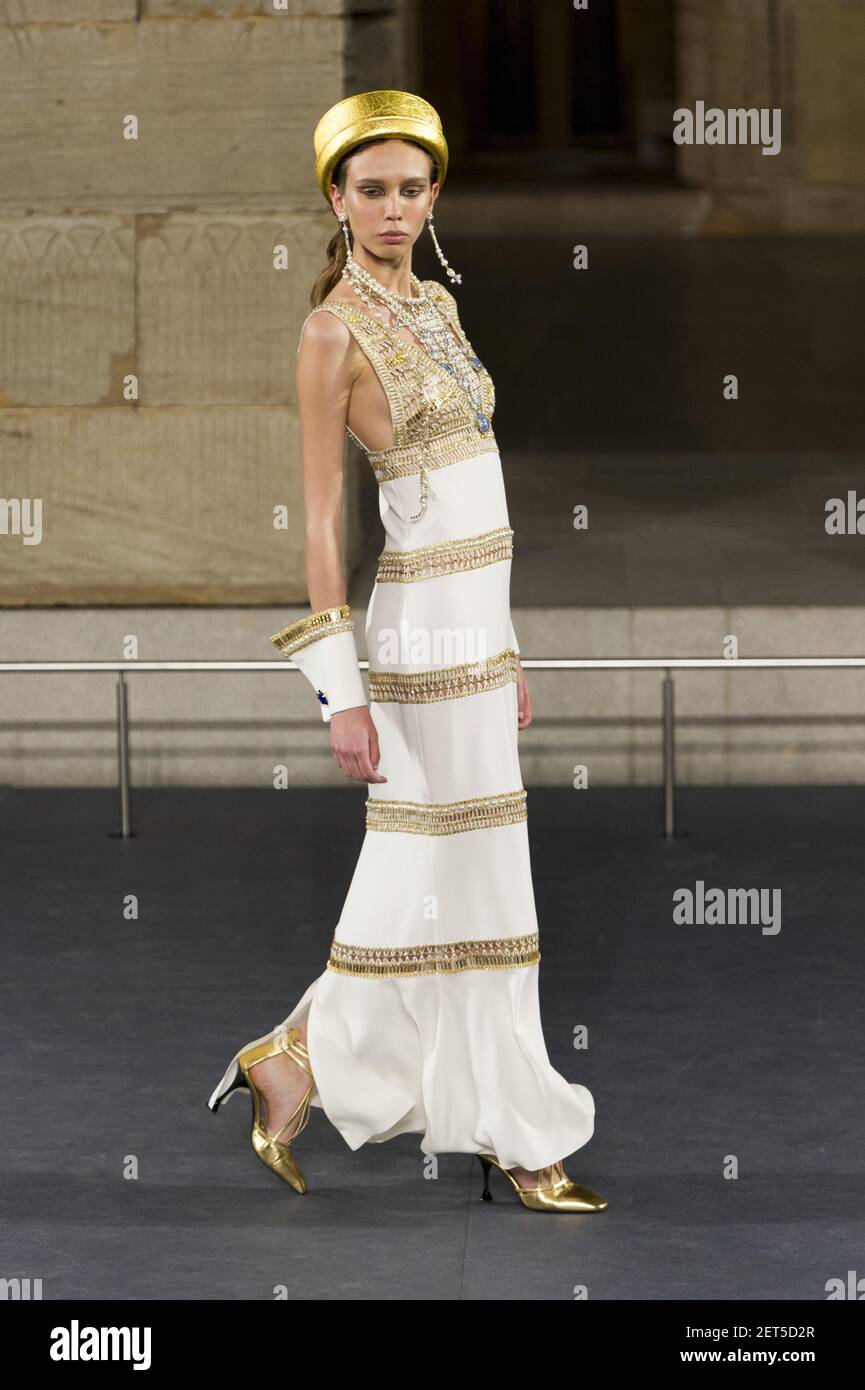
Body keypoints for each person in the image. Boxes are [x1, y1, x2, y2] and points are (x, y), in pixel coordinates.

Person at [209, 90, 607, 1214]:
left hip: (477, 643)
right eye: (370, 189)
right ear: (336, 199)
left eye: (411, 187)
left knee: (447, 875)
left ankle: (294, 1062)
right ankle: (514, 1133)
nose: (392, 207)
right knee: (459, 873)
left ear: (435, 196)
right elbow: (326, 517)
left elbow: (474, 498)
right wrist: (340, 693)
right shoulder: (332, 330)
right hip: (414, 645)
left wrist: (511, 649)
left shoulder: (437, 302)